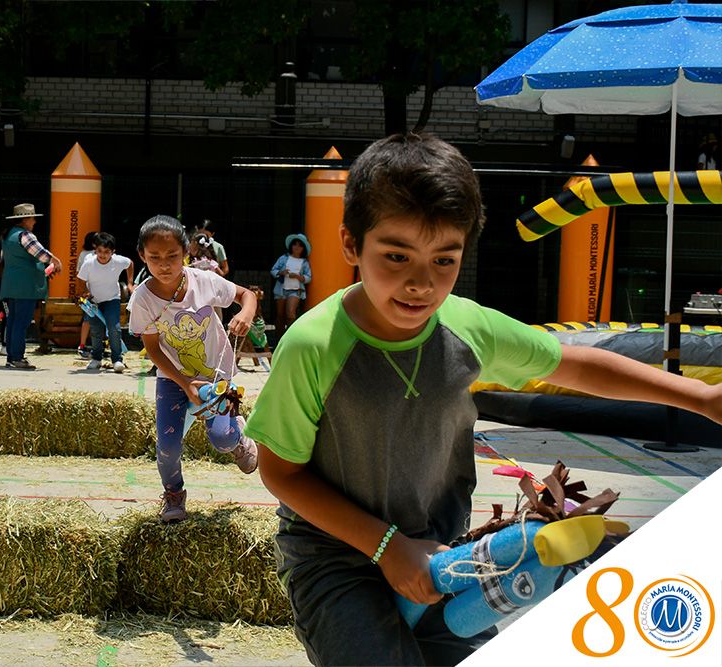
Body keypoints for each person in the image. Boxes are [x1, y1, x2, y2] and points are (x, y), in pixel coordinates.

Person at [243, 133, 722, 667]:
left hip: (444, 555)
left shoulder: (468, 327)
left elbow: (578, 363)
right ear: (351, 245)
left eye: (443, 260)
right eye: (396, 255)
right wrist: (386, 547)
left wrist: (702, 397)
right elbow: (280, 473)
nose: (420, 282)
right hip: (336, 560)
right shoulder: (313, 344)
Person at [128, 215, 260, 523]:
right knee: (168, 446)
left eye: (172, 256)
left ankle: (239, 439)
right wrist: (184, 381)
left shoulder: (205, 281)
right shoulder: (142, 298)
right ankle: (174, 494)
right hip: (174, 379)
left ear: (185, 251)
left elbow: (246, 295)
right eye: (154, 258)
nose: (164, 264)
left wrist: (246, 314)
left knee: (222, 441)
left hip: (216, 376)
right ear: (141, 256)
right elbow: (153, 348)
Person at [0, 203, 62, 370]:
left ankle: (12, 357)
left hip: (11, 285)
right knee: (22, 322)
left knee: (13, 321)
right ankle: (18, 357)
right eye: (33, 218)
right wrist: (56, 261)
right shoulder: (26, 235)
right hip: (25, 287)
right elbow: (41, 254)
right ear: (25, 219)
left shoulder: (8, 235)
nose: (34, 222)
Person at [77, 232, 134, 373]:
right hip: (93, 302)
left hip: (112, 299)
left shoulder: (119, 261)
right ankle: (96, 358)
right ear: (95, 249)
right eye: (100, 251)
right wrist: (85, 292)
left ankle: (117, 359)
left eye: (107, 252)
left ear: (113, 252)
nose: (103, 255)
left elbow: (130, 264)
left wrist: (130, 283)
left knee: (114, 328)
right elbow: (80, 281)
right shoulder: (89, 263)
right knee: (96, 330)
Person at [270, 233, 313, 336]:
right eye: (295, 244)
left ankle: (289, 337)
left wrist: (298, 277)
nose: (297, 247)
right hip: (281, 290)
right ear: (291, 246)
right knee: (280, 315)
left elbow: (308, 278)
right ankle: (279, 338)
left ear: (303, 248)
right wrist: (282, 272)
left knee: (290, 314)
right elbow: (273, 270)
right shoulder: (283, 258)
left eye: (300, 245)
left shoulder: (305, 262)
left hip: (295, 291)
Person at [77, 230, 99, 358]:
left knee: (88, 319)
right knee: (88, 318)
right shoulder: (87, 255)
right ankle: (84, 344)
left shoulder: (83, 254)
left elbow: (78, 273)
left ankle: (84, 344)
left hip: (92, 291)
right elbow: (80, 274)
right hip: (90, 292)